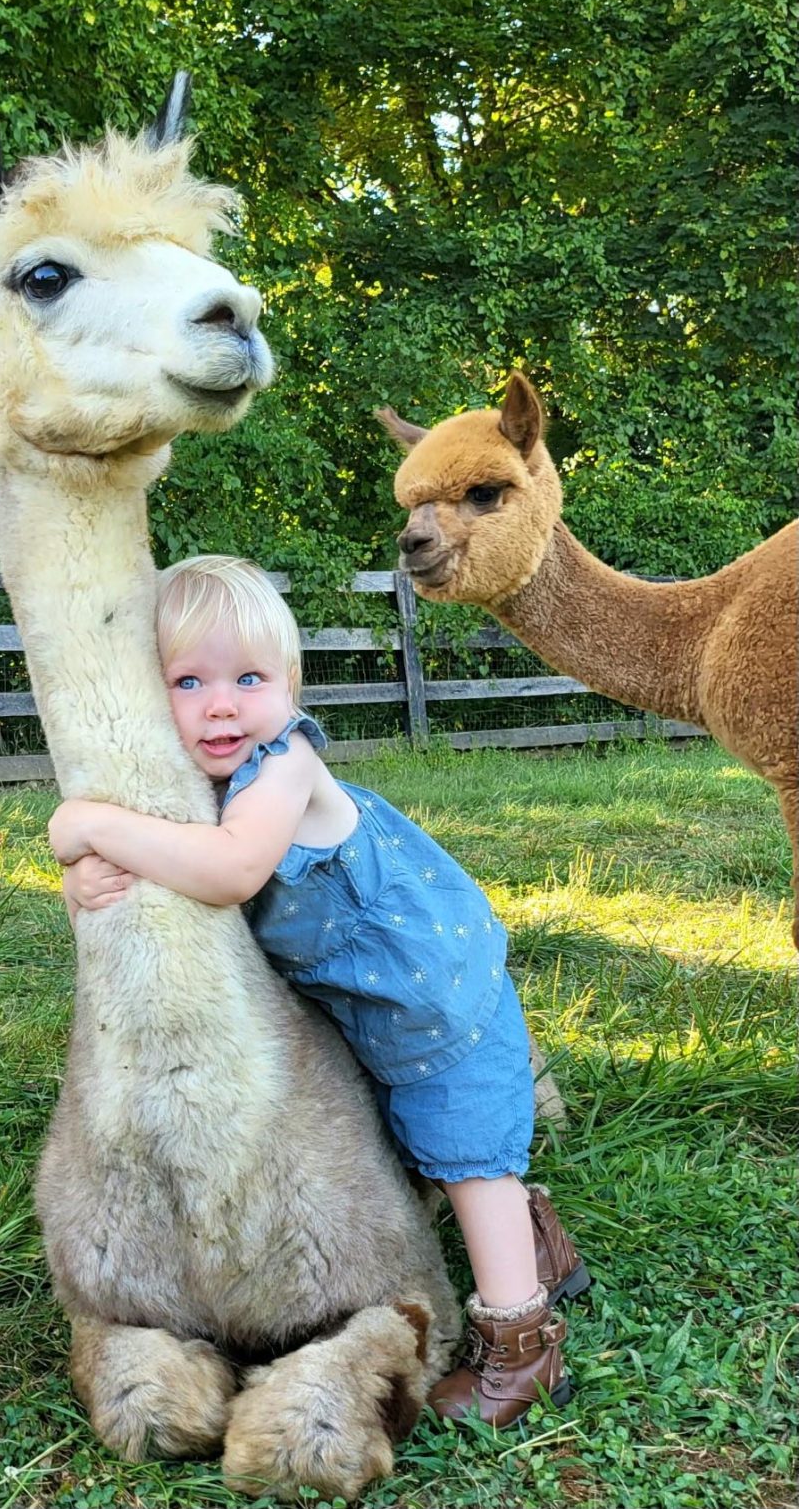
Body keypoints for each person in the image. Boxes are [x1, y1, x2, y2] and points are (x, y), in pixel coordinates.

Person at [47, 554, 590, 1426]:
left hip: (441, 1010)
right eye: (189, 682)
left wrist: (87, 827)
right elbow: (168, 879)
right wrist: (88, 885)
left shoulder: (284, 765)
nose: (222, 703)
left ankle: (520, 1350)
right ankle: (545, 1247)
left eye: (248, 678)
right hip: (374, 1012)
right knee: (410, 1141)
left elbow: (223, 874)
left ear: (292, 689)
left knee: (465, 1163)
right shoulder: (208, 786)